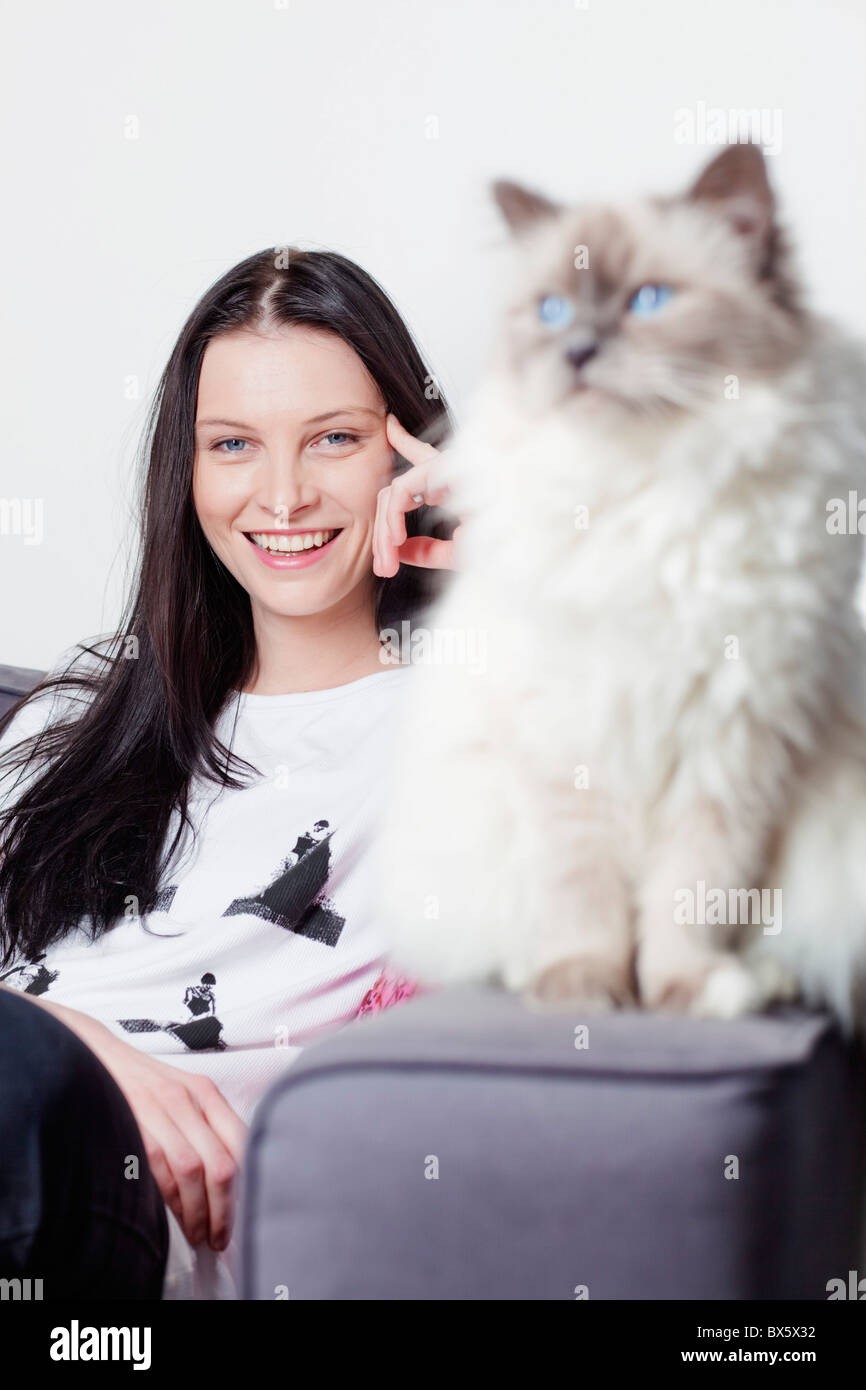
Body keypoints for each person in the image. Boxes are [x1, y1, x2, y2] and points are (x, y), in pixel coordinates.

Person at [0, 247, 460, 1299]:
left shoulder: (473, 727)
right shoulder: (73, 721)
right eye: (234, 445)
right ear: (190, 470)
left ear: (407, 458)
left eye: (335, 439)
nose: (283, 493)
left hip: (111, 1207)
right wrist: (80, 1040)